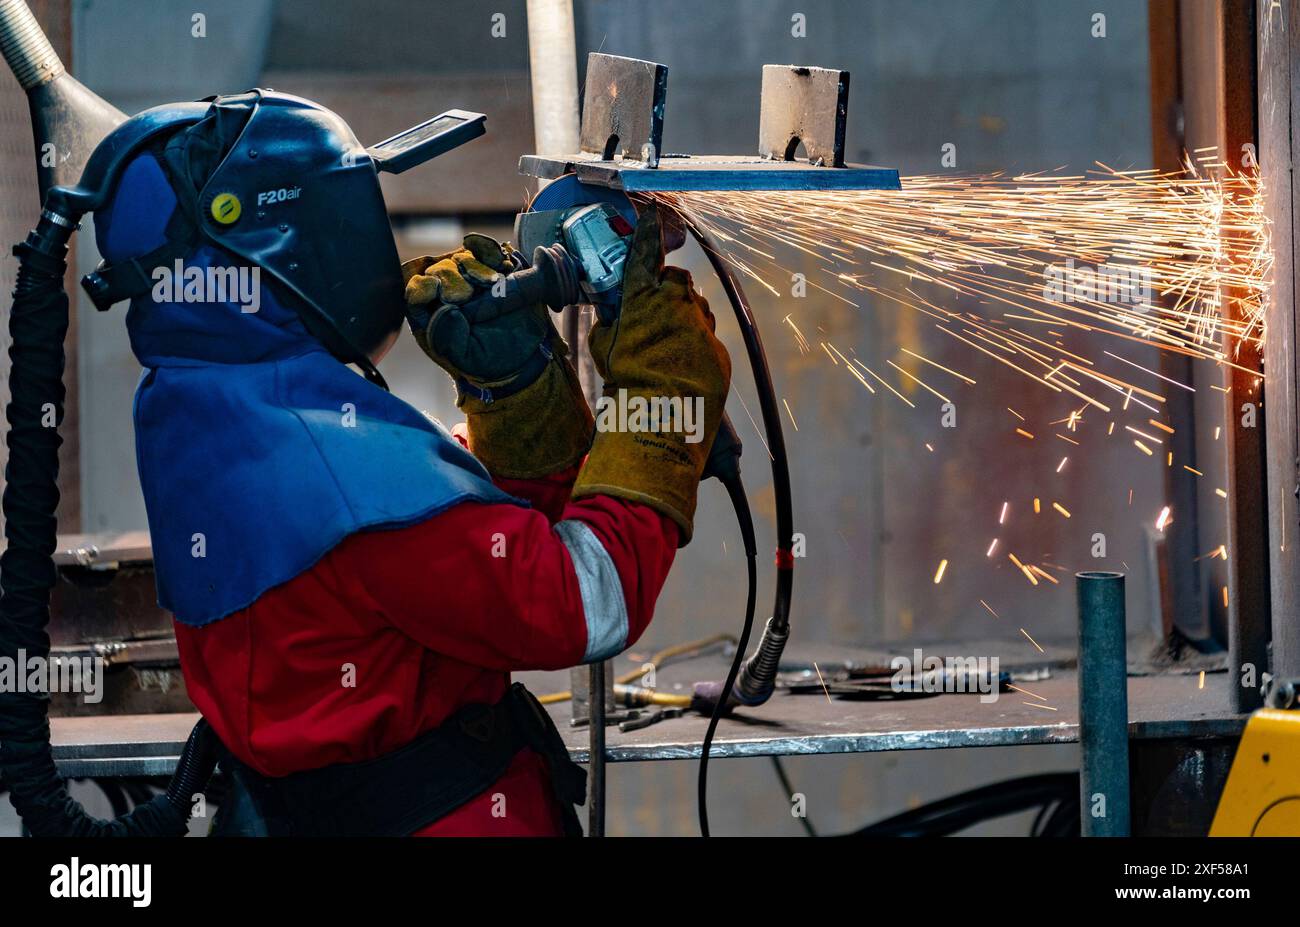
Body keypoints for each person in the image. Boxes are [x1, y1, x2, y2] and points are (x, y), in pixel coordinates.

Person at [90, 90, 730, 835]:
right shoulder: (343, 471)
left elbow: (449, 566)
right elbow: (584, 603)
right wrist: (661, 390)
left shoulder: (198, 403)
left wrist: (515, 401)